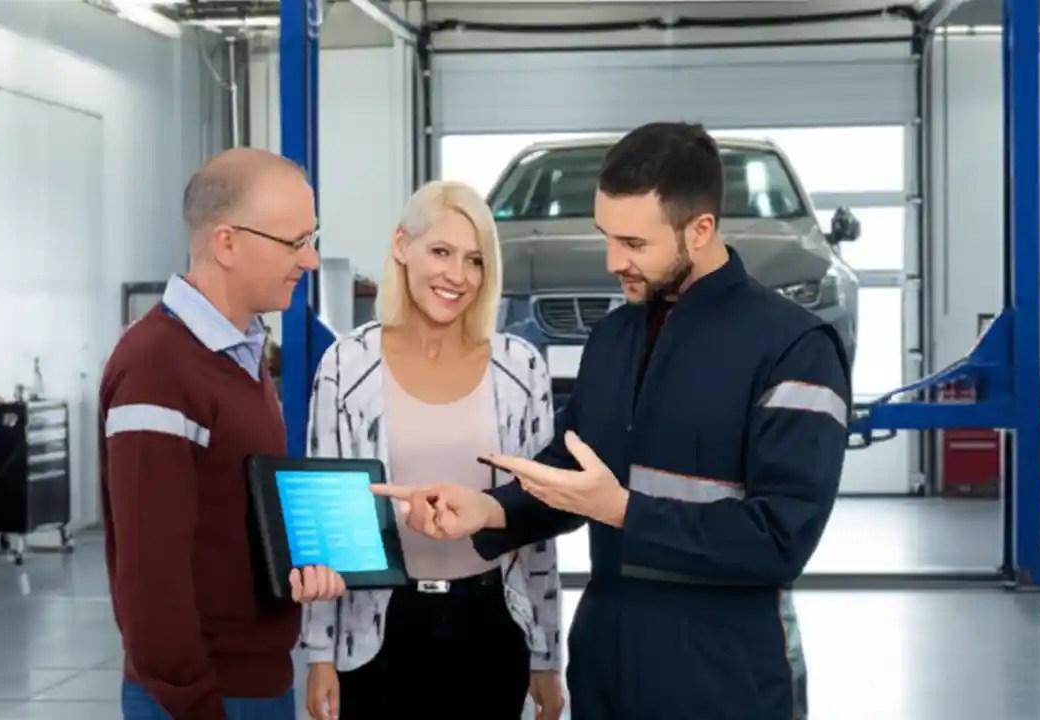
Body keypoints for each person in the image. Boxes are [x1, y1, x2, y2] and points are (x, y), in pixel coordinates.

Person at [374, 122, 851, 720]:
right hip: (608, 663)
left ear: (700, 229)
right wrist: (492, 510)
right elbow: (571, 471)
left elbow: (781, 539)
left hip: (727, 673)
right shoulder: (615, 337)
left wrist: (623, 510)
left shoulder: (794, 348)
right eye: (606, 236)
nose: (611, 261)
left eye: (633, 243)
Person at [299, 180, 566, 720]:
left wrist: (546, 654)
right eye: (441, 252)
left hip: (493, 623)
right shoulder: (347, 367)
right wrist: (320, 654)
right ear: (402, 246)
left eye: (474, 260)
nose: (457, 276)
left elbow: (537, 522)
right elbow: (326, 522)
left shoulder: (520, 368)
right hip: (378, 630)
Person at [99, 147, 348, 720]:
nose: (310, 261)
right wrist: (196, 702)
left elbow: (230, 522)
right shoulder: (158, 366)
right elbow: (150, 582)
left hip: (255, 683)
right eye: (295, 243)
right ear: (227, 242)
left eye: (313, 238)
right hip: (199, 696)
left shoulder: (239, 354)